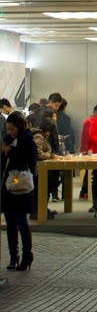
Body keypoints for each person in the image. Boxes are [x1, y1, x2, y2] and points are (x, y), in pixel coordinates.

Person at [1, 110, 37, 271]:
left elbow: (29, 161)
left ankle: (27, 255)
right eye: (8, 129)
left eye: (12, 129)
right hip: (7, 185)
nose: (10, 132)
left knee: (22, 221)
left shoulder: (28, 139)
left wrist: (12, 152)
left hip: (21, 185)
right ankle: (13, 256)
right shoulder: (6, 140)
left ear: (19, 127)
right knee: (9, 222)